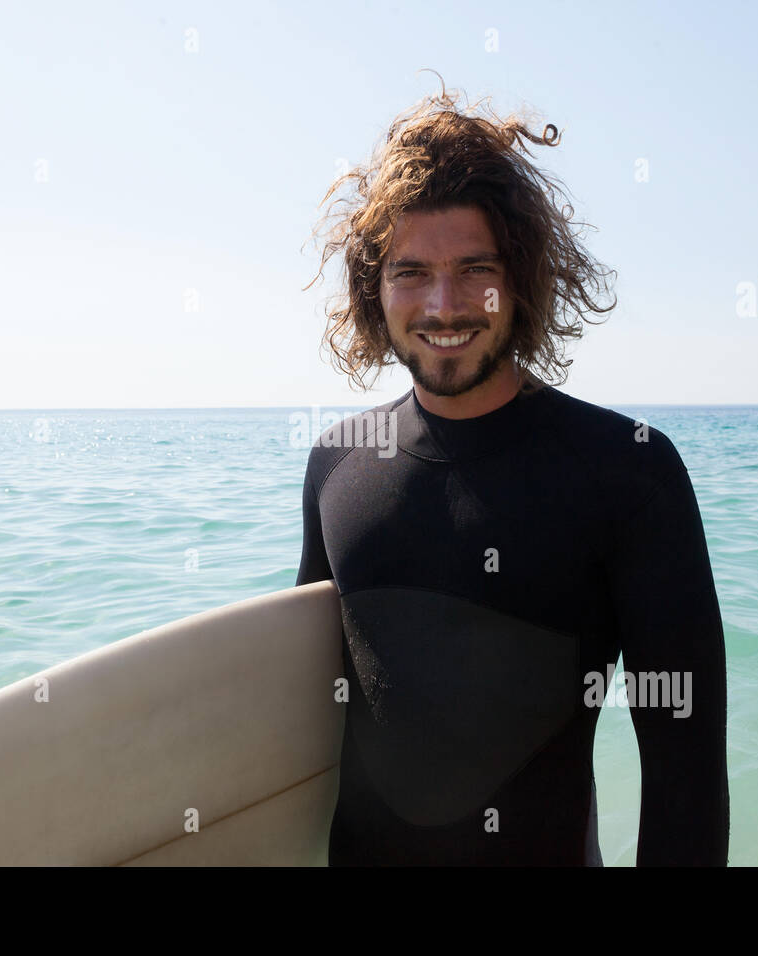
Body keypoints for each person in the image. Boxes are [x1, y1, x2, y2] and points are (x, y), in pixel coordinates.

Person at [296, 77, 729, 866]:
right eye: (410, 272)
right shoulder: (336, 465)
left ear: (521, 278)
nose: (444, 304)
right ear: (373, 288)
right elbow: (303, 721)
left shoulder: (627, 473)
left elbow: (687, 783)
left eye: (474, 268)